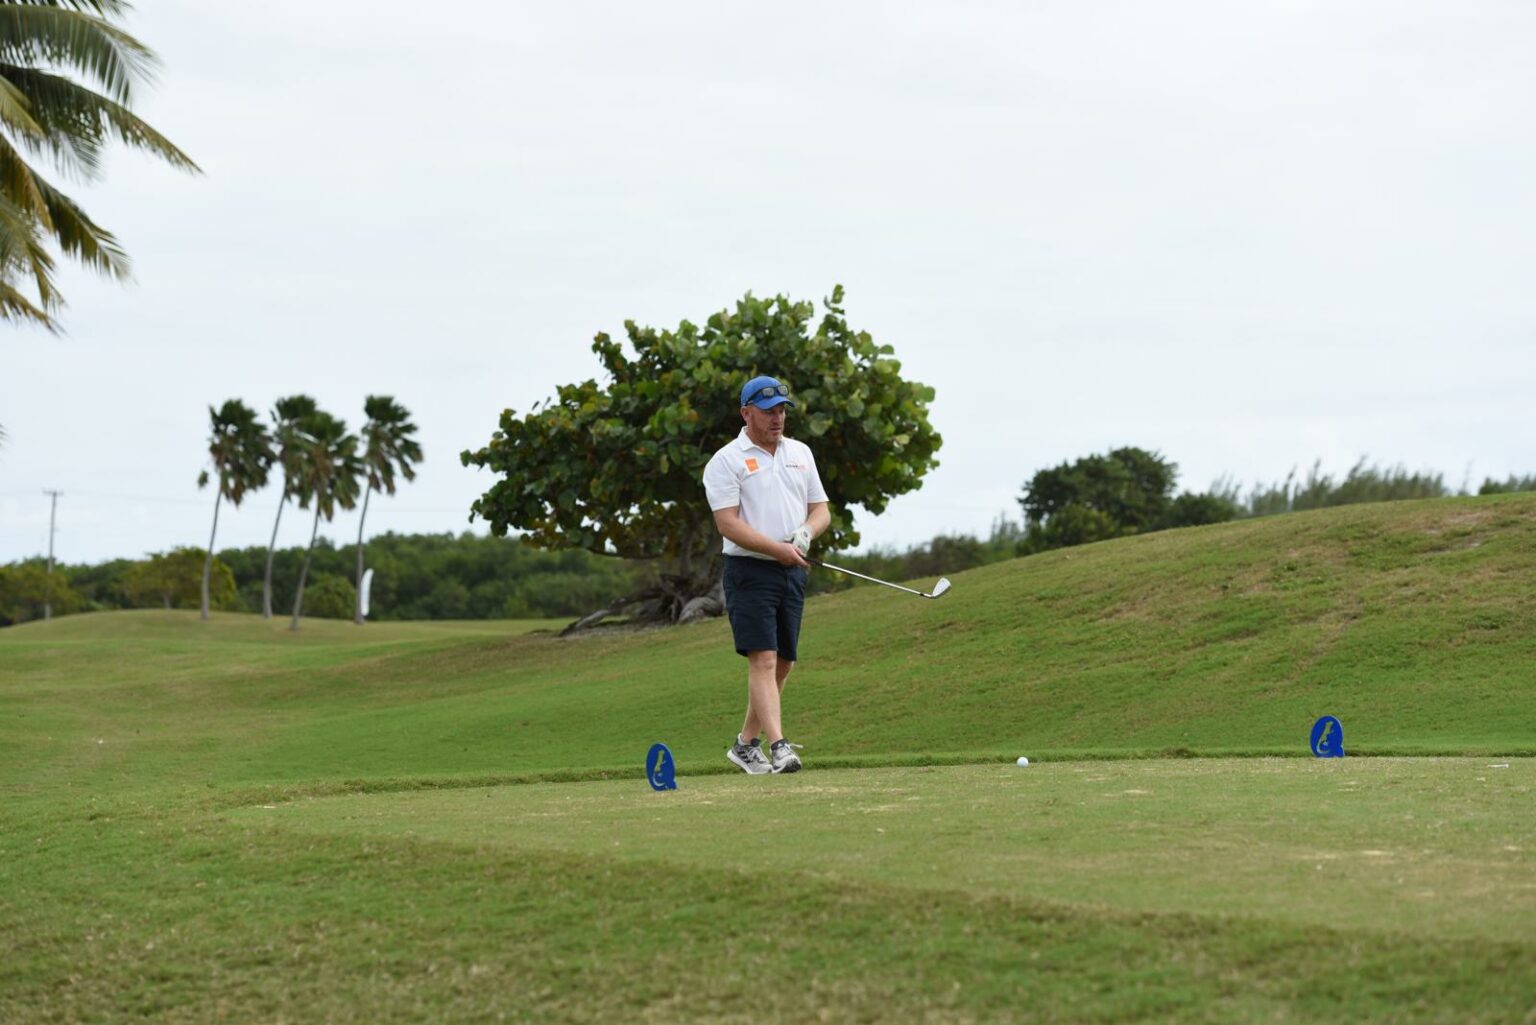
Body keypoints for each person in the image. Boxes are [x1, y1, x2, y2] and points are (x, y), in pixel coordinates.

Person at [702, 375, 831, 774]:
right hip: (749, 570)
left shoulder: (800, 453)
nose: (777, 418)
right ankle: (779, 747)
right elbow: (728, 524)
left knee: (784, 662)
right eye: (768, 411)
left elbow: (821, 509)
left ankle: (745, 745)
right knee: (763, 658)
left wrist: (806, 533)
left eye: (781, 411)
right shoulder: (726, 460)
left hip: (791, 569)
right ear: (746, 413)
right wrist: (777, 549)